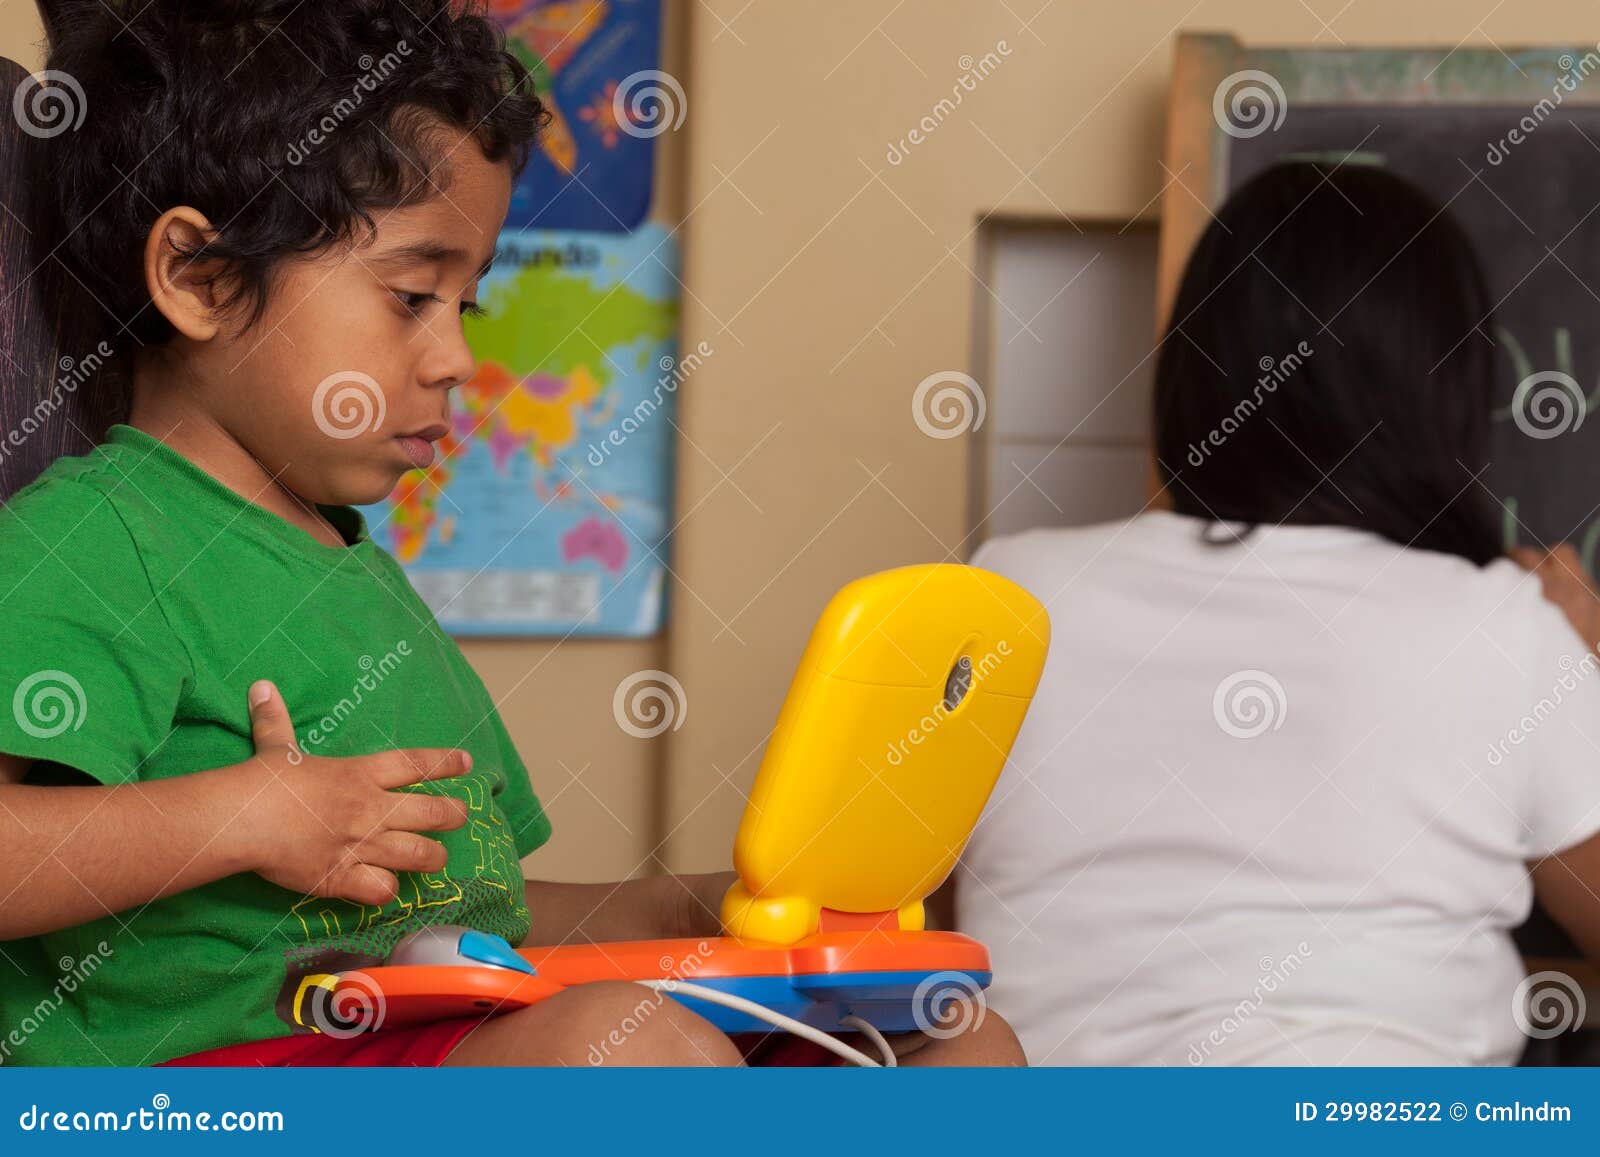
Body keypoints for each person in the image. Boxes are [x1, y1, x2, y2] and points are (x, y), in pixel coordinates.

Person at [0, 0, 1022, 1069]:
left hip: (416, 1041)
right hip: (203, 1084)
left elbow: (476, 915)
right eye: (410, 296)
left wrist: (689, 907)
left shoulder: (353, 575)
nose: (452, 359)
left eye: (466, 306)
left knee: (955, 1041)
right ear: (201, 279)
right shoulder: (101, 541)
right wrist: (245, 817)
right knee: (622, 1055)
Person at [951, 160, 1600, 1066]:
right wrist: (1583, 666)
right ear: (1447, 393)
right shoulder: (1509, 624)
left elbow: (894, 926)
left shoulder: (1010, 598)